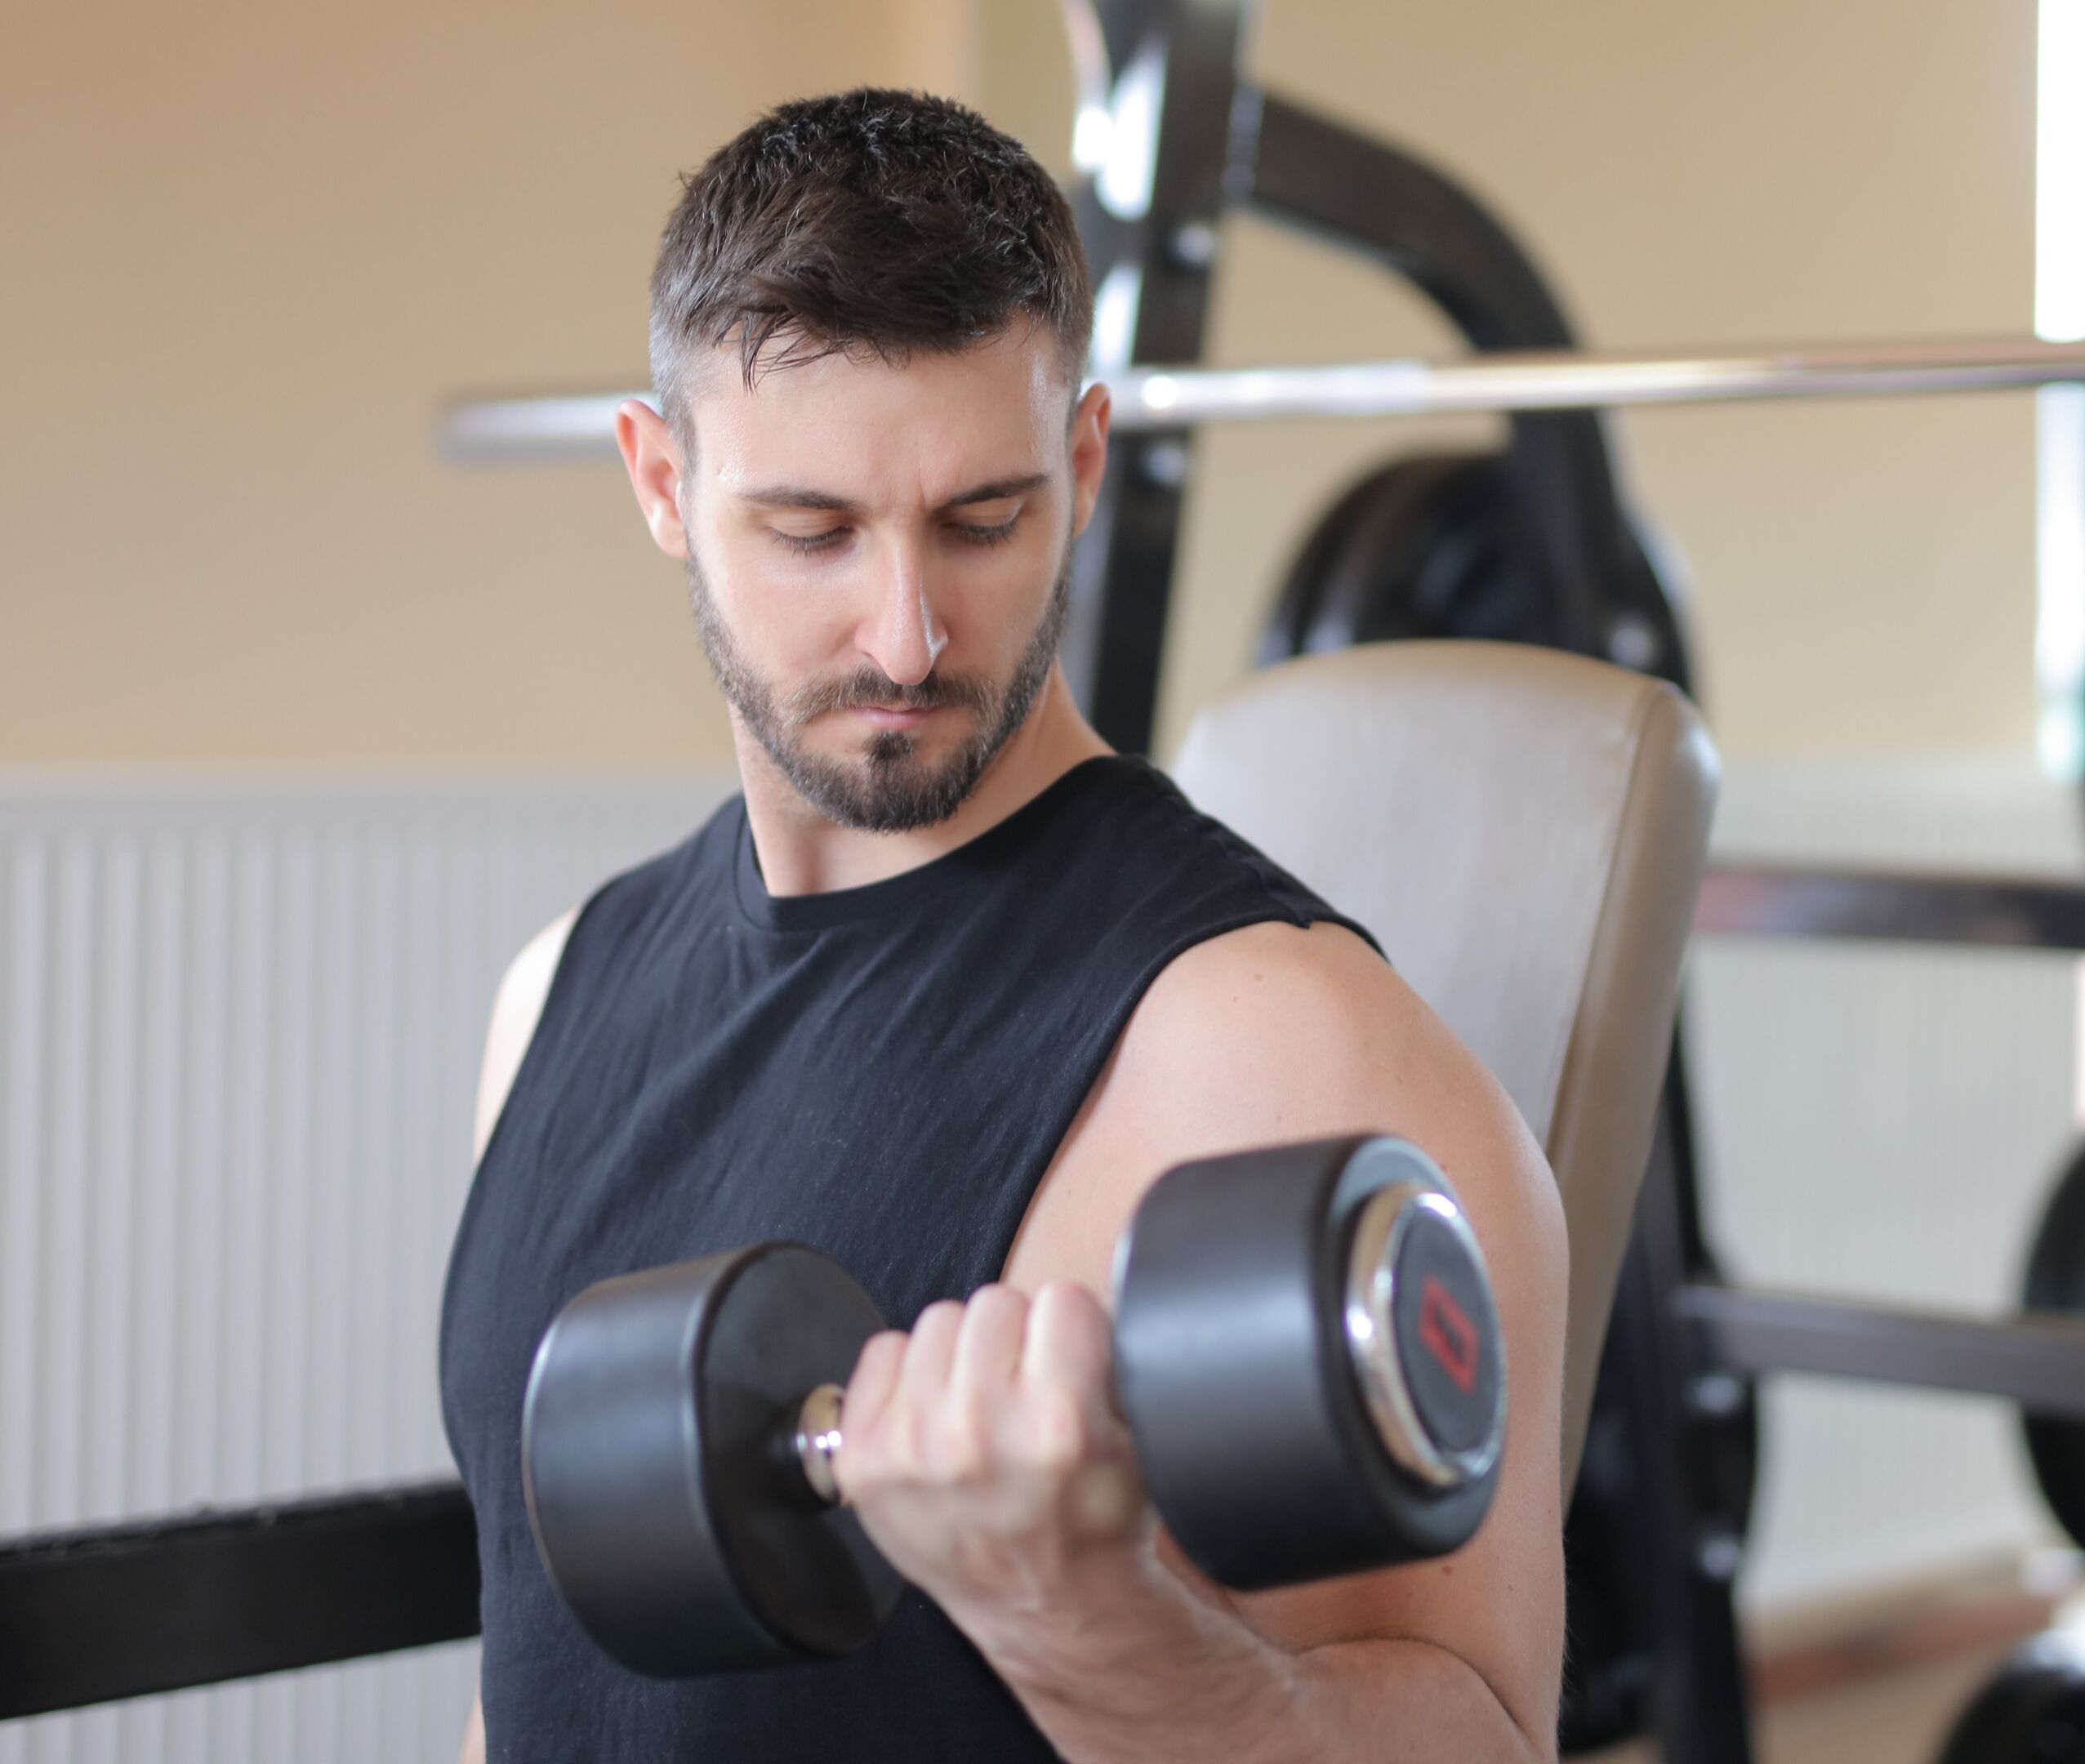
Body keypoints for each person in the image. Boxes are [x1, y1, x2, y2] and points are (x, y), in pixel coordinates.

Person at [437, 87, 1566, 1763]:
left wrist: (1082, 1616)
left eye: (983, 521)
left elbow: (1485, 1737)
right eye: (812, 531)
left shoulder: (1277, 1055)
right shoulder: (559, 992)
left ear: (1084, 465)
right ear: (662, 482)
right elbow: (533, 1674)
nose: (906, 636)